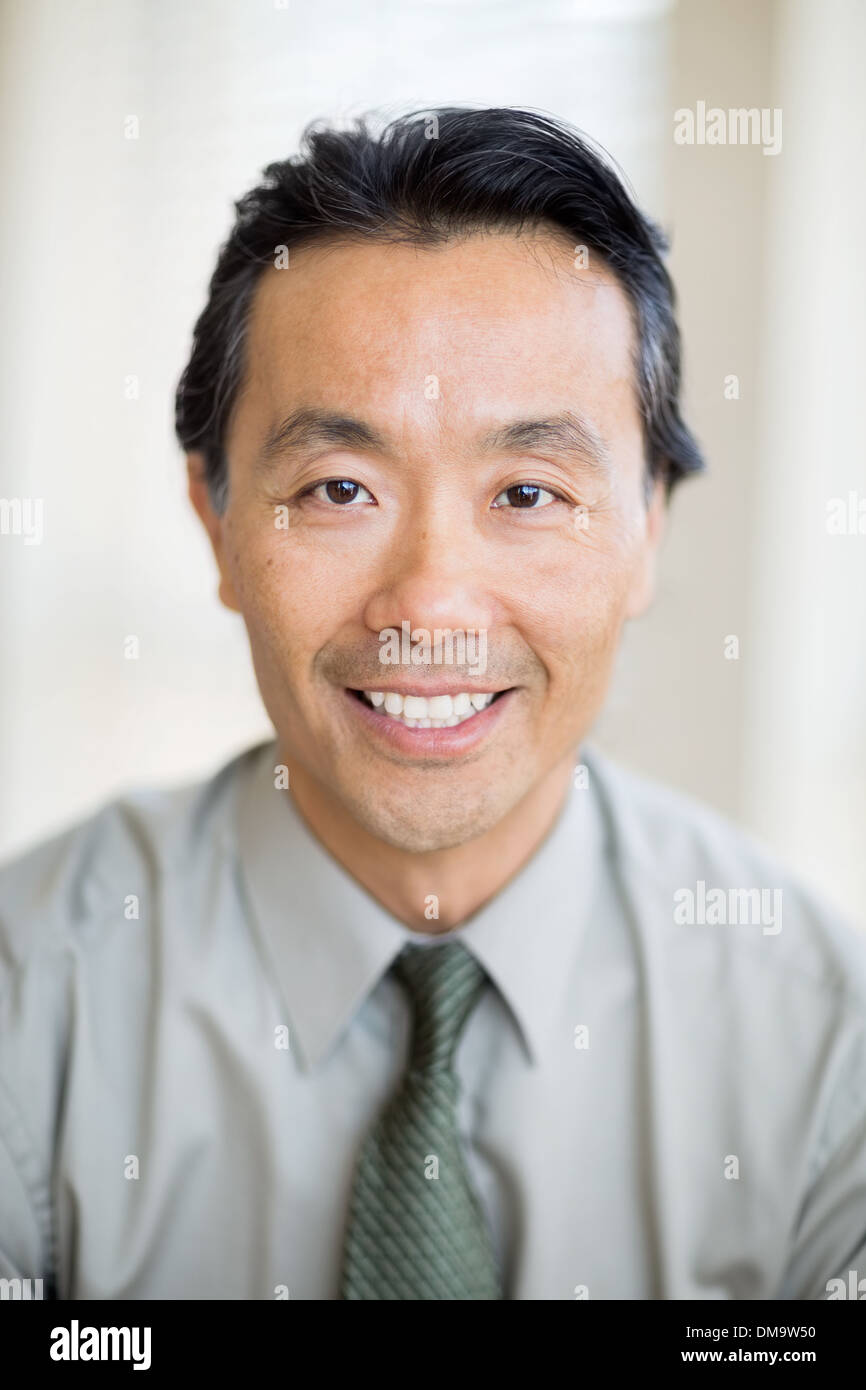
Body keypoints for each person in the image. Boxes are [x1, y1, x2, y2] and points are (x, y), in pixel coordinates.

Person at [1, 107, 864, 1301]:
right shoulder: (29, 996)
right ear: (215, 521)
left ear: (646, 527)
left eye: (525, 490)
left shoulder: (824, 1044)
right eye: (339, 486)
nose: (428, 605)